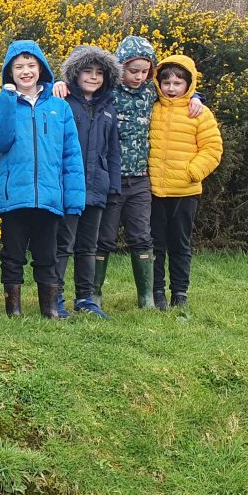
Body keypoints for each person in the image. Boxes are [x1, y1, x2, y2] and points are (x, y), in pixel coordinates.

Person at [93, 36, 206, 310]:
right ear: (120, 66)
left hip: (141, 180)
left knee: (143, 238)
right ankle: (94, 293)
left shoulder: (149, 92)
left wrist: (198, 97)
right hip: (111, 177)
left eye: (145, 71)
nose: (139, 77)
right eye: (133, 71)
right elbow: (81, 89)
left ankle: (147, 297)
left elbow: (176, 93)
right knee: (104, 238)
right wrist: (59, 85)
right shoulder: (107, 91)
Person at [0, 40, 84, 320]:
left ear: (41, 68)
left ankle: (49, 308)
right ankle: (13, 309)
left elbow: (71, 155)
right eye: (18, 67)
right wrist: (5, 101)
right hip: (15, 196)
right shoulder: (3, 103)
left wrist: (74, 198)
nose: (25, 71)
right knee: (12, 255)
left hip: (49, 197)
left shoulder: (60, 108)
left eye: (30, 65)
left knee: (47, 255)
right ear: (9, 72)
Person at [148, 55, 223, 312]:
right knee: (155, 245)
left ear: (188, 84)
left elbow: (212, 149)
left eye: (178, 83)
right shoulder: (152, 108)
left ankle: (179, 293)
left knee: (180, 245)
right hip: (154, 190)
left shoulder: (199, 112)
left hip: (185, 191)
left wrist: (193, 172)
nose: (171, 88)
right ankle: (156, 292)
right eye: (166, 82)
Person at [54, 46, 122, 319]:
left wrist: (113, 186)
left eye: (99, 72)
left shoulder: (109, 109)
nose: (93, 77)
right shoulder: (62, 101)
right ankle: (55, 297)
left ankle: (85, 298)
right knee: (63, 244)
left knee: (88, 246)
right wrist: (54, 84)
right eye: (87, 71)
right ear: (75, 73)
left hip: (97, 187)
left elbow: (114, 152)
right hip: (68, 186)